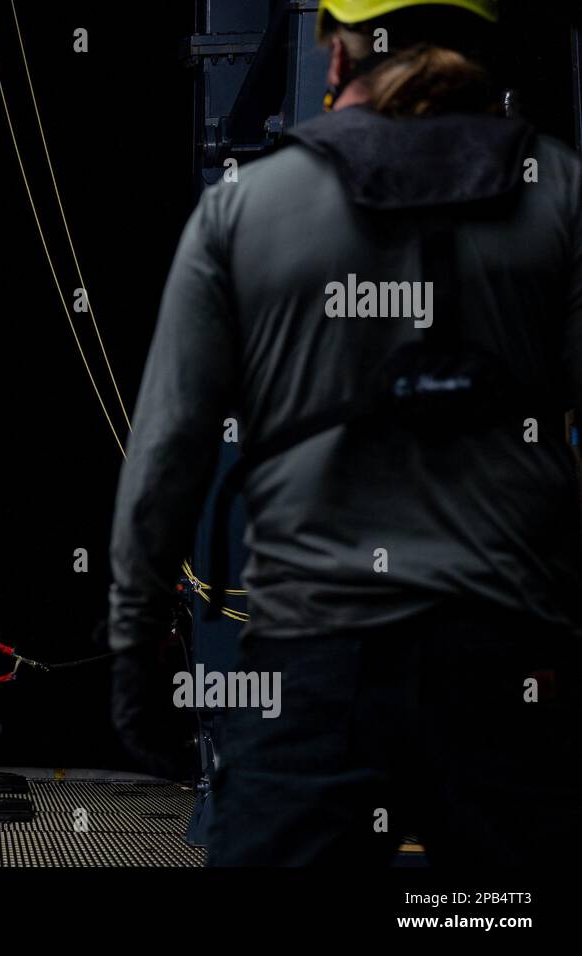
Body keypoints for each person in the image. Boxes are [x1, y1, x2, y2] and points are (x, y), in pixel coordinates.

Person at [109, 0, 582, 865]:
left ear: (334, 57)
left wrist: (135, 651)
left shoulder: (246, 208)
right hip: (503, 671)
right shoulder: (561, 193)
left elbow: (168, 451)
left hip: (315, 671)